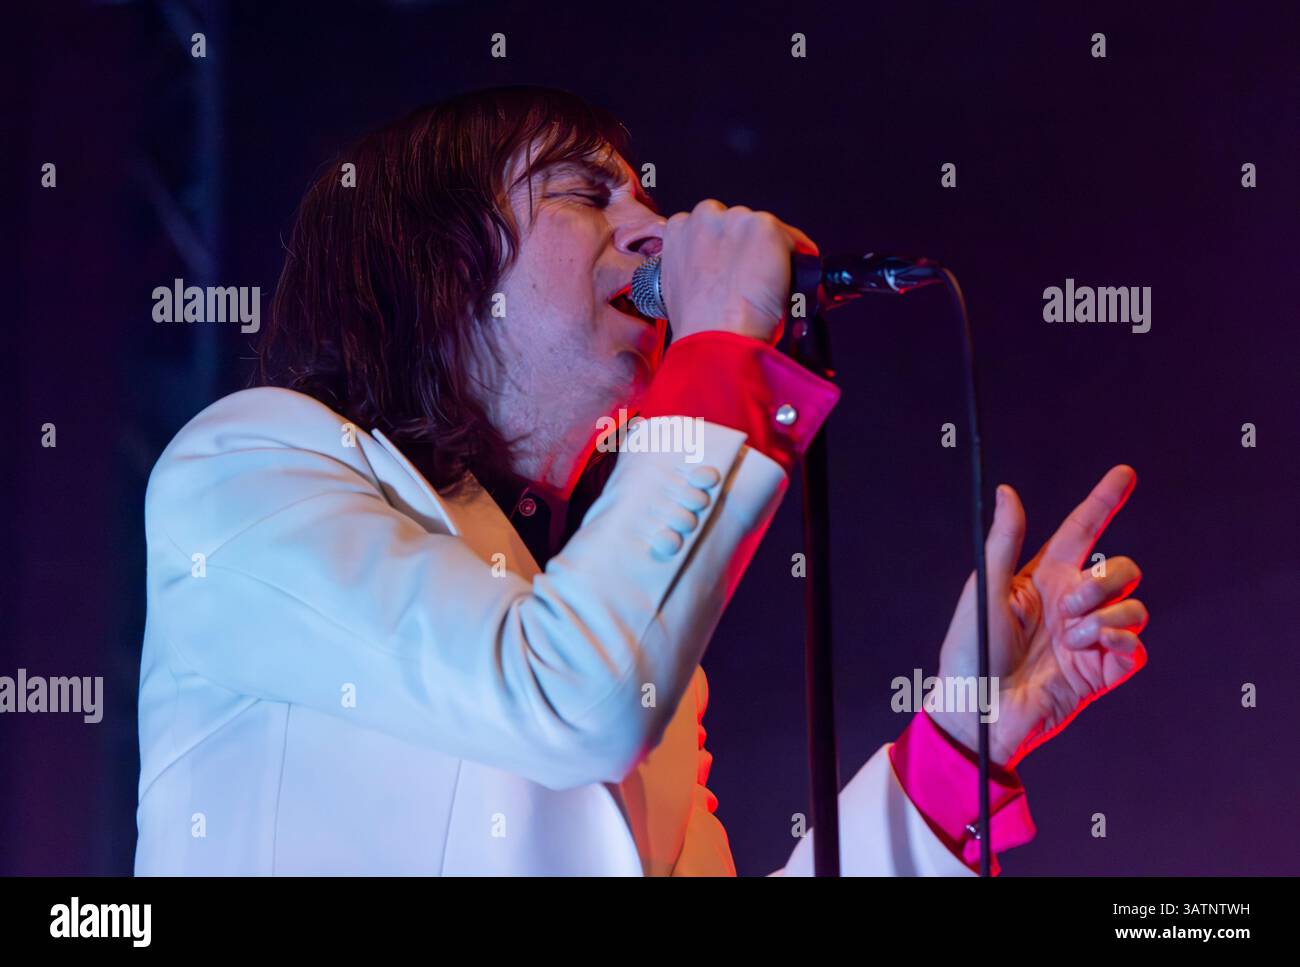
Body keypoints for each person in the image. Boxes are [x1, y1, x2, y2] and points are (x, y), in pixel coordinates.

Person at [134, 86, 1149, 876]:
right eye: (585, 194)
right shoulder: (250, 471)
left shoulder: (616, 625)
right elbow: (564, 692)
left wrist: (960, 746)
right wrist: (716, 354)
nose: (656, 230)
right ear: (438, 268)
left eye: (643, 195)